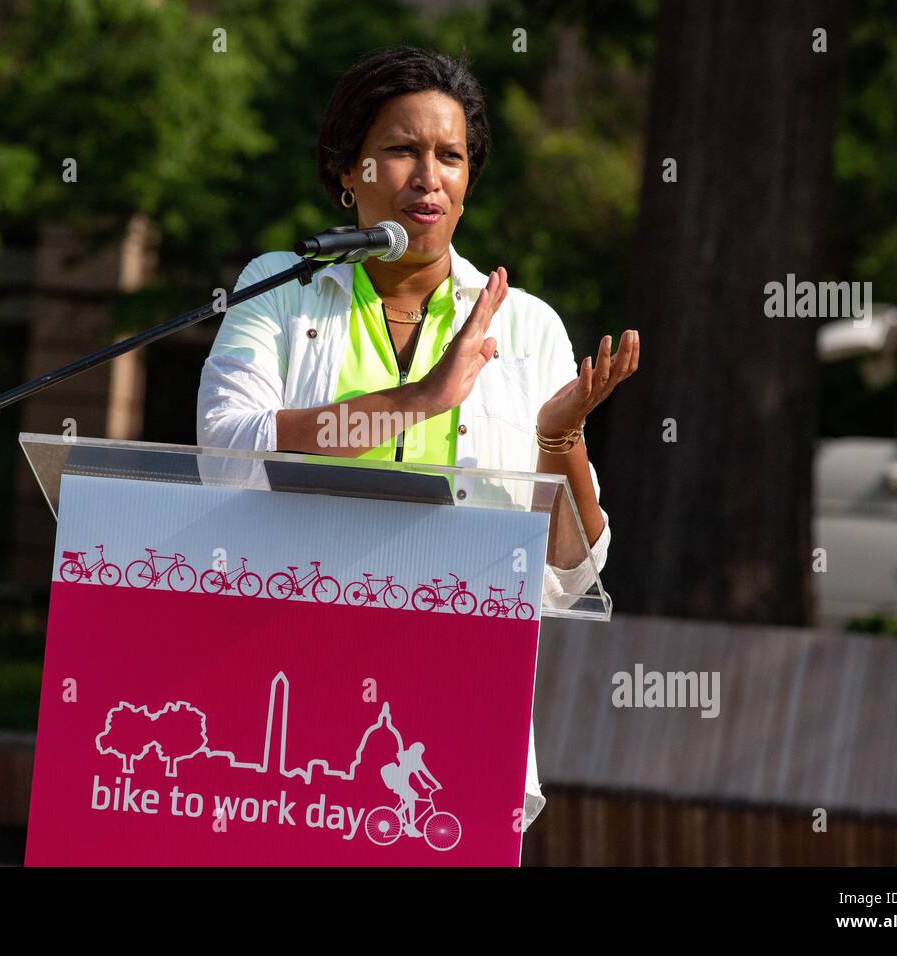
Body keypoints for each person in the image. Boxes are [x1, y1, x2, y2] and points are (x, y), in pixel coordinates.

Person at [197, 46, 640, 830]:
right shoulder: (279, 287)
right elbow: (229, 452)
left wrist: (560, 442)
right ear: (350, 172)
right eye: (401, 150)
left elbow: (569, 572)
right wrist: (420, 399)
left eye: (451, 156)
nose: (428, 176)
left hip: (455, 691)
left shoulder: (526, 325)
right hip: (283, 671)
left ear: (469, 181)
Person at [379, 741, 440, 837]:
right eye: (420, 752)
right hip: (398, 782)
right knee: (412, 799)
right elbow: (424, 772)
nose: (420, 754)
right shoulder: (409, 757)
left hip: (401, 782)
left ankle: (401, 815)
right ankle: (410, 826)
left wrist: (425, 783)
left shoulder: (411, 757)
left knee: (413, 797)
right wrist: (436, 784)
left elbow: (418, 771)